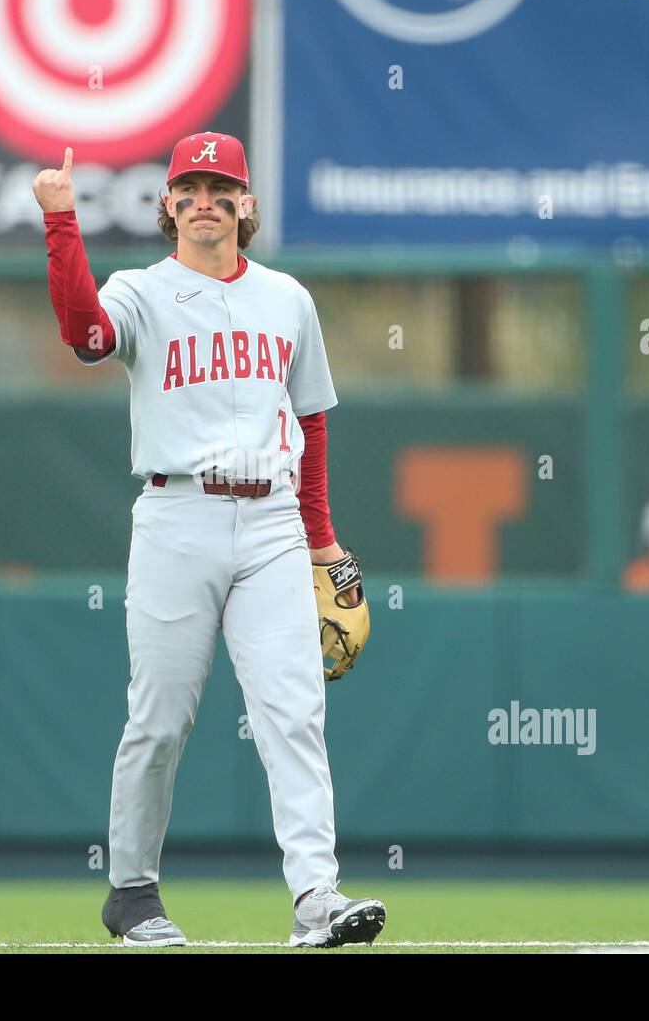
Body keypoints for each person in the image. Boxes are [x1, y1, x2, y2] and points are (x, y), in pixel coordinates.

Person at [33, 132, 386, 948]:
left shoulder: (288, 299)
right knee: (159, 718)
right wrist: (61, 222)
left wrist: (322, 542)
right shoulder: (140, 291)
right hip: (176, 515)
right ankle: (132, 893)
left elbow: (311, 422)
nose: (205, 199)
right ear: (167, 204)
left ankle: (316, 899)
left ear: (246, 205)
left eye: (220, 186)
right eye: (189, 186)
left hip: (270, 523)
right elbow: (85, 336)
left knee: (294, 712)